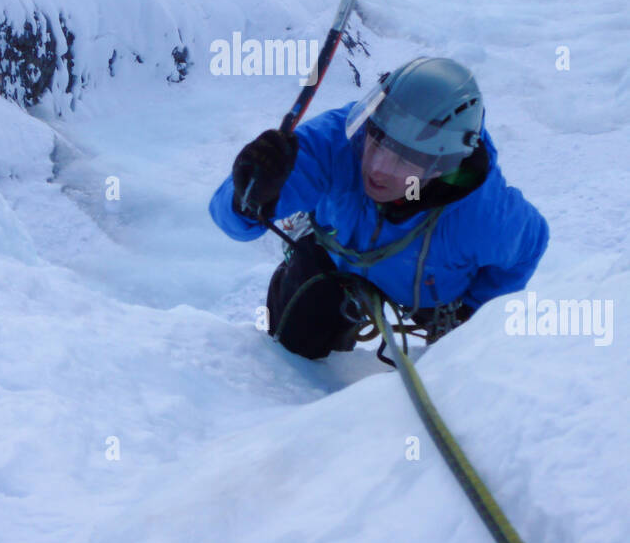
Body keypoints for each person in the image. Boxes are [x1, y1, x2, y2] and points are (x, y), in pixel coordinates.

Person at [209, 57, 549, 360]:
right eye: (377, 138)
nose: (377, 167)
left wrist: (472, 313)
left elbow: (529, 246)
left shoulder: (481, 214)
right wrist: (247, 195)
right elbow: (235, 222)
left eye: (405, 157)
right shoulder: (341, 141)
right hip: (338, 254)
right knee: (295, 346)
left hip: (435, 288)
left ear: (442, 167)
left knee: (454, 366)